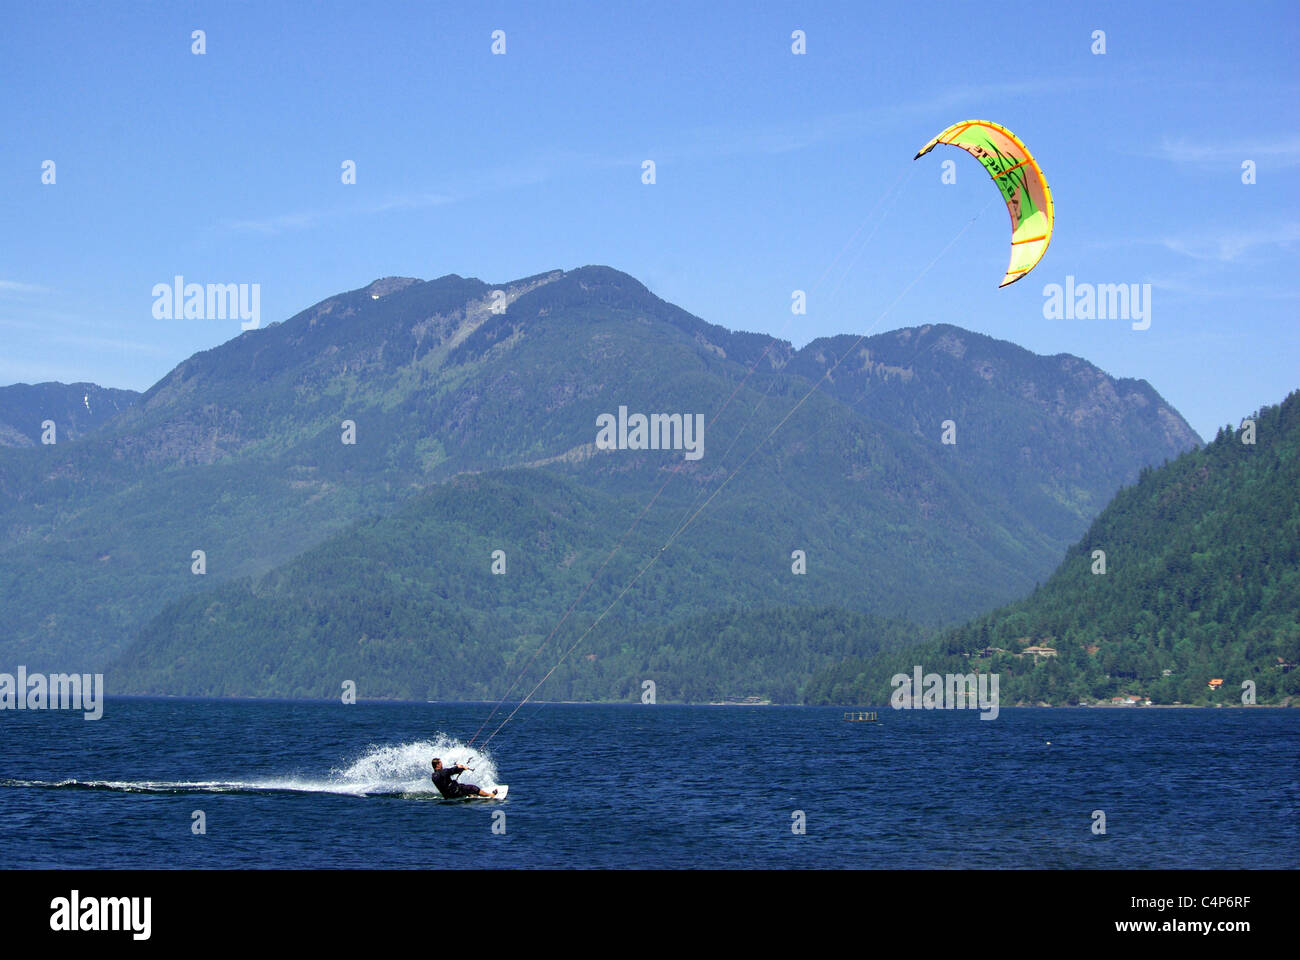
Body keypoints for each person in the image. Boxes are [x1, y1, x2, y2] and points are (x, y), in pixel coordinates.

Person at [431, 757, 497, 799]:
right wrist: (462, 768)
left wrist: (458, 768)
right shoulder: (443, 772)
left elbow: (447, 775)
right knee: (472, 788)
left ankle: (471, 795)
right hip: (455, 792)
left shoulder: (433, 776)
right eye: (440, 763)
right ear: (437, 765)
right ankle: (491, 795)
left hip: (447, 796)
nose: (441, 764)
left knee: (461, 786)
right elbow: (452, 770)